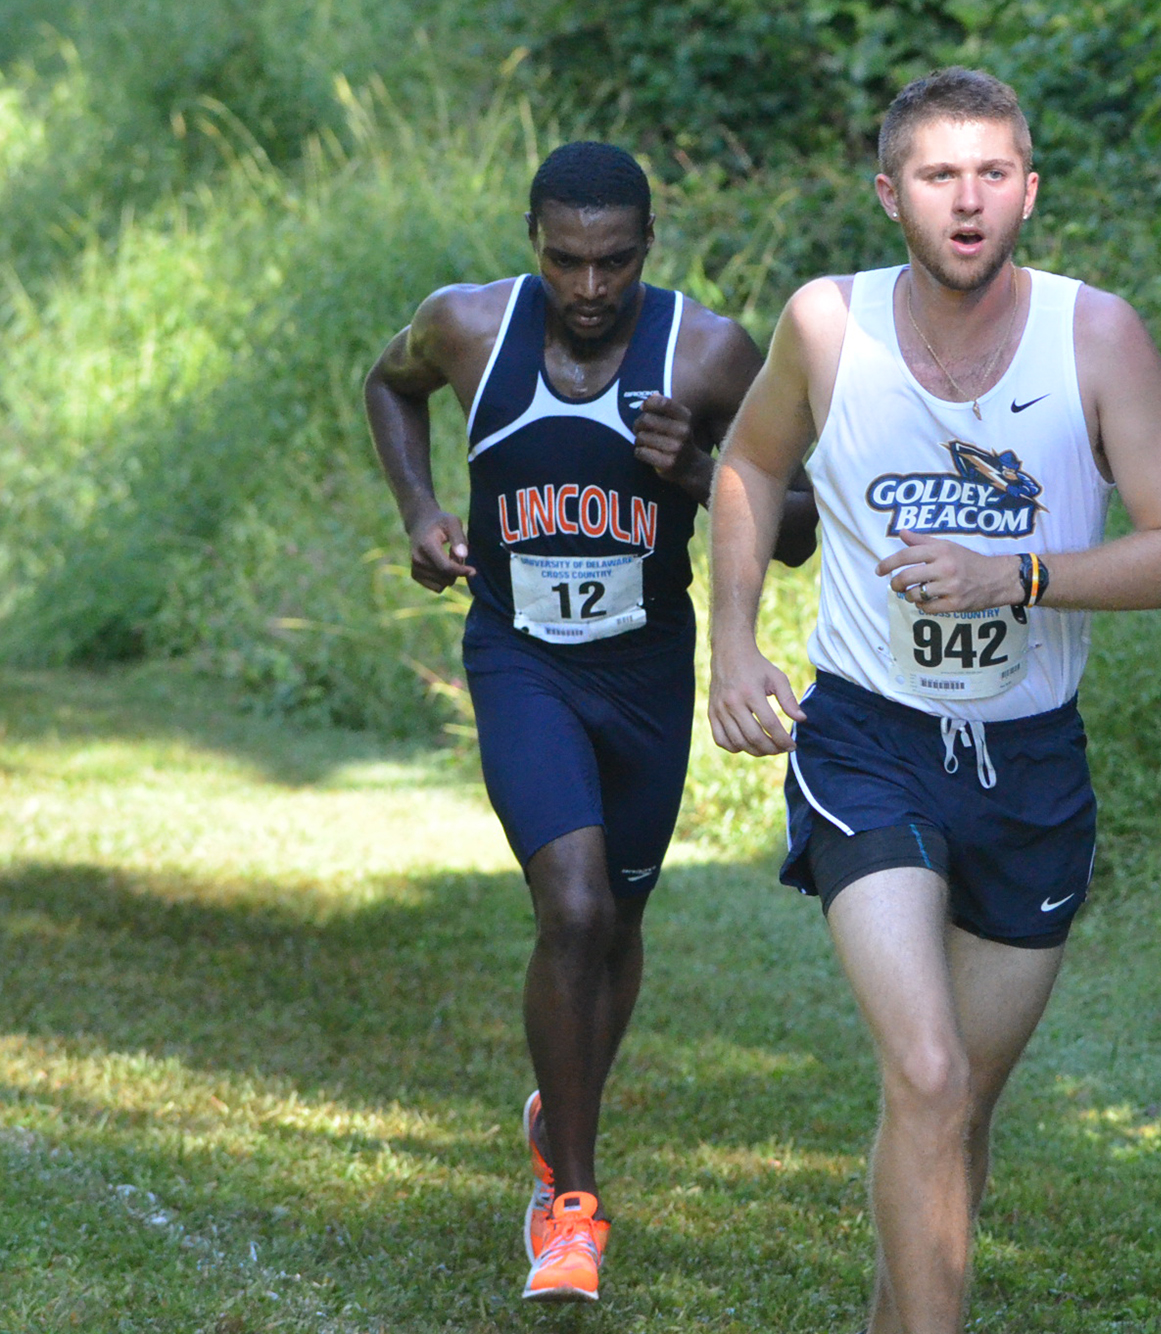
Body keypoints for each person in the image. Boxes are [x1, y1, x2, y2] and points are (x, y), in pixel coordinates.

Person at [706, 68, 1161, 1334]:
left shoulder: (1094, 337)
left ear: (1029, 191)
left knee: (956, 1112)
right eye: (939, 175)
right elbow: (748, 461)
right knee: (924, 1072)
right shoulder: (827, 325)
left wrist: (1020, 571)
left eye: (993, 172)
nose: (969, 200)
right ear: (891, 195)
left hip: (1031, 764)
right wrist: (730, 642)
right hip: (868, 738)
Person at [363, 140, 816, 1304]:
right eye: (566, 260)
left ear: (645, 251)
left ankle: (555, 1110)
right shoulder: (467, 326)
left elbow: (803, 518)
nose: (590, 287)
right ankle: (571, 1201)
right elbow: (388, 383)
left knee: (616, 920)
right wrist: (419, 511)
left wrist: (703, 466)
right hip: (519, 659)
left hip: (645, 671)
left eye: (613, 261)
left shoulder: (707, 349)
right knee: (569, 903)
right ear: (533, 242)